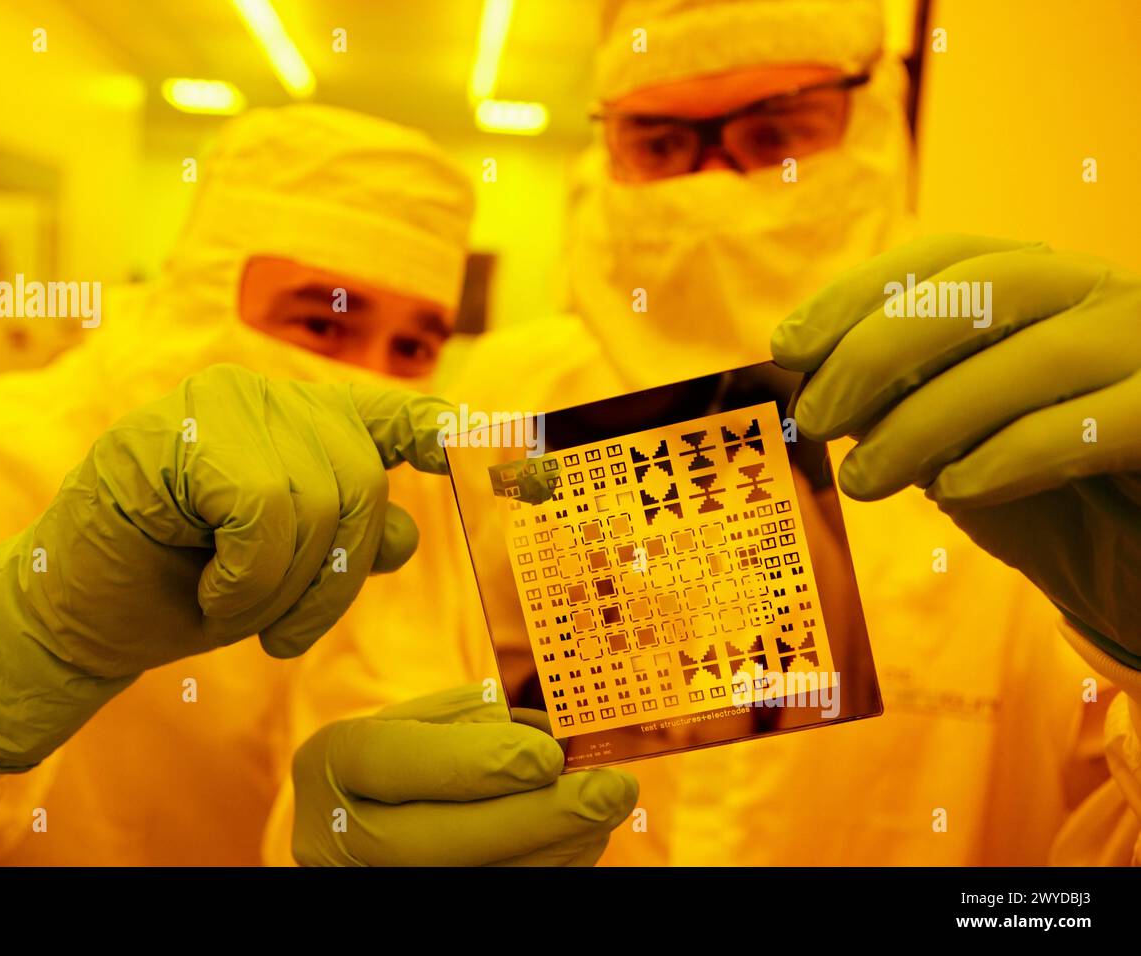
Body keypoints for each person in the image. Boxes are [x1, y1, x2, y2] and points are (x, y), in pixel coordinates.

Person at [266, 0, 1139, 866]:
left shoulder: (1007, 399)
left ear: (871, 119)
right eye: (662, 144)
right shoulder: (510, 399)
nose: (717, 182)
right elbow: (377, 706)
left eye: (776, 134)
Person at [0, 105, 638, 865]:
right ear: (199, 299)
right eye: (322, 325)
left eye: (411, 347)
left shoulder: (409, 491)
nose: (365, 381)